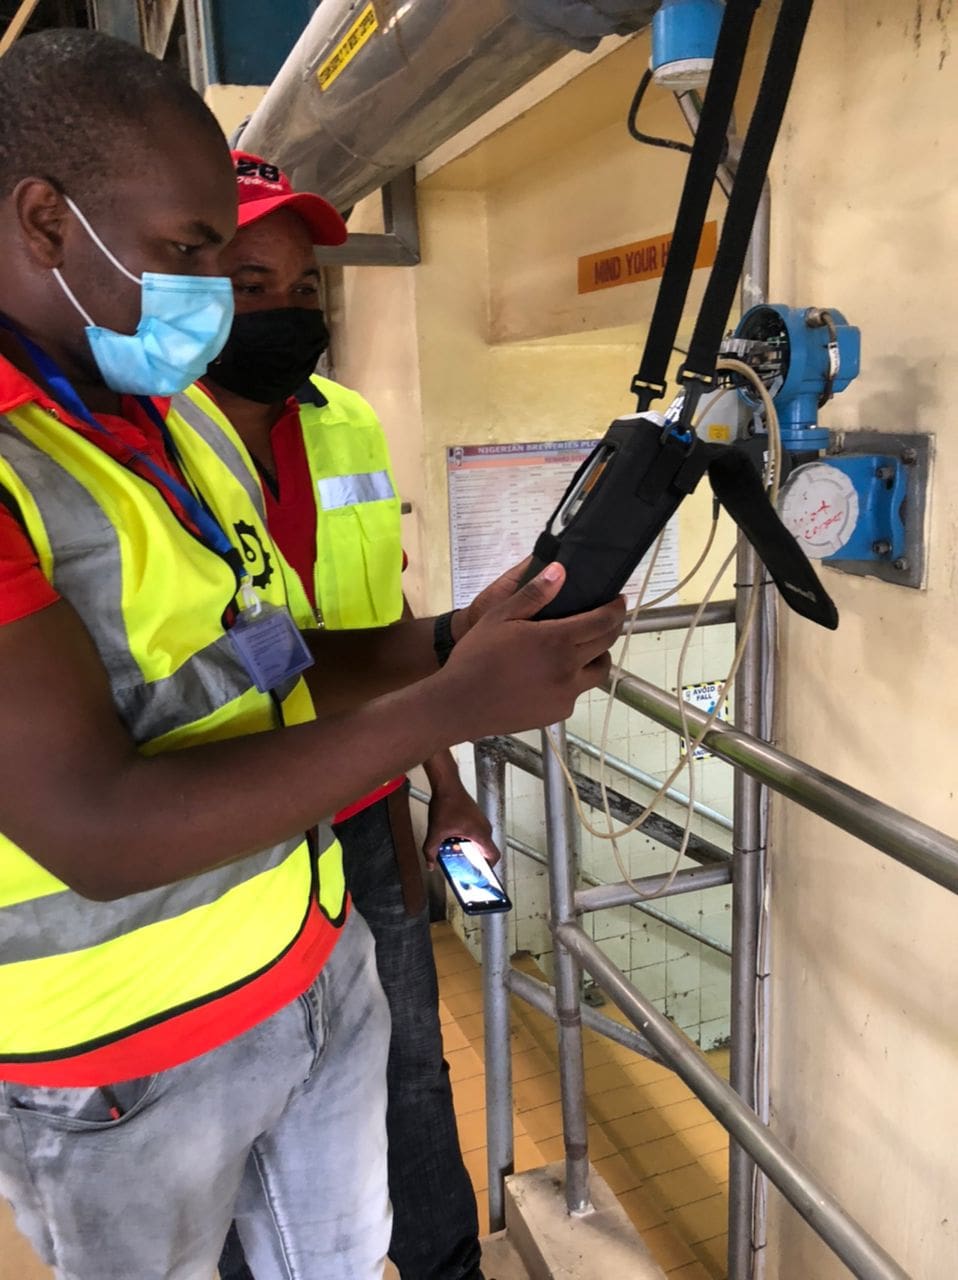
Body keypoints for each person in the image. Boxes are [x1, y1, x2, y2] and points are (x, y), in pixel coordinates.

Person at [0, 29, 624, 1280]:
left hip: (307, 956)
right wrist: (447, 706)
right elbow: (92, 825)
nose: (214, 296)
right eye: (192, 253)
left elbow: (275, 663)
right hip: (123, 1058)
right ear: (46, 220)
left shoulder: (166, 424)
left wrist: (448, 639)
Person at [206, 152, 492, 1280]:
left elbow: (386, 617)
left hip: (368, 814)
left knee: (411, 1066)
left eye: (305, 286)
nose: (289, 310)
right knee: (247, 1099)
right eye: (249, 284)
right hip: (235, 831)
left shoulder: (349, 424)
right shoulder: (148, 446)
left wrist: (447, 785)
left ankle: (445, 1266)